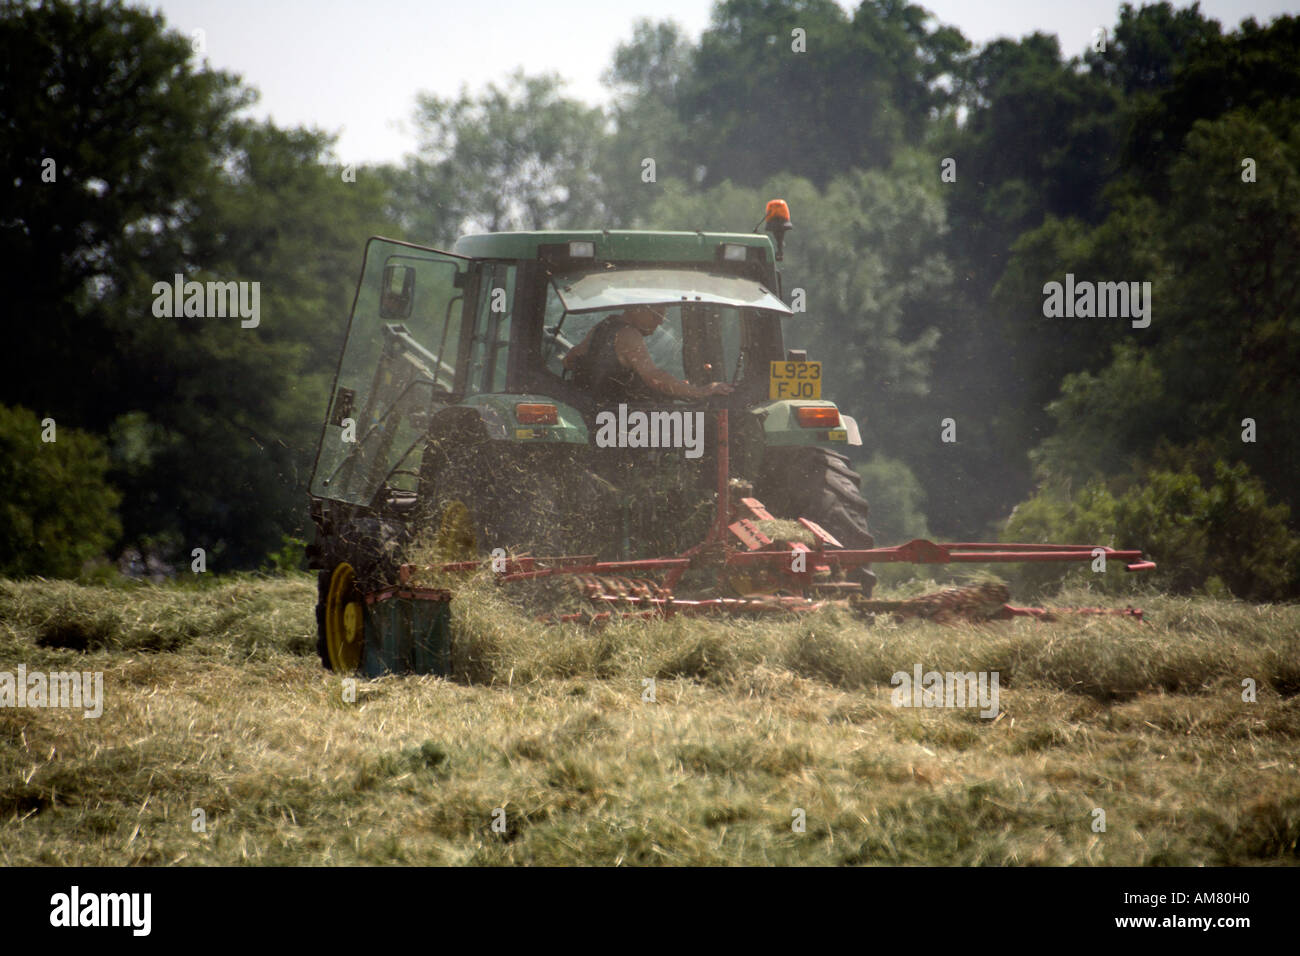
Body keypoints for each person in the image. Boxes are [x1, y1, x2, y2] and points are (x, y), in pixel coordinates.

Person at [563, 305, 734, 403]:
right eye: (656, 315)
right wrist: (700, 391)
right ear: (636, 308)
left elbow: (570, 359)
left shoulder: (605, 325)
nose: (660, 322)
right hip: (617, 422)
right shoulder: (628, 334)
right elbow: (654, 378)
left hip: (591, 409)